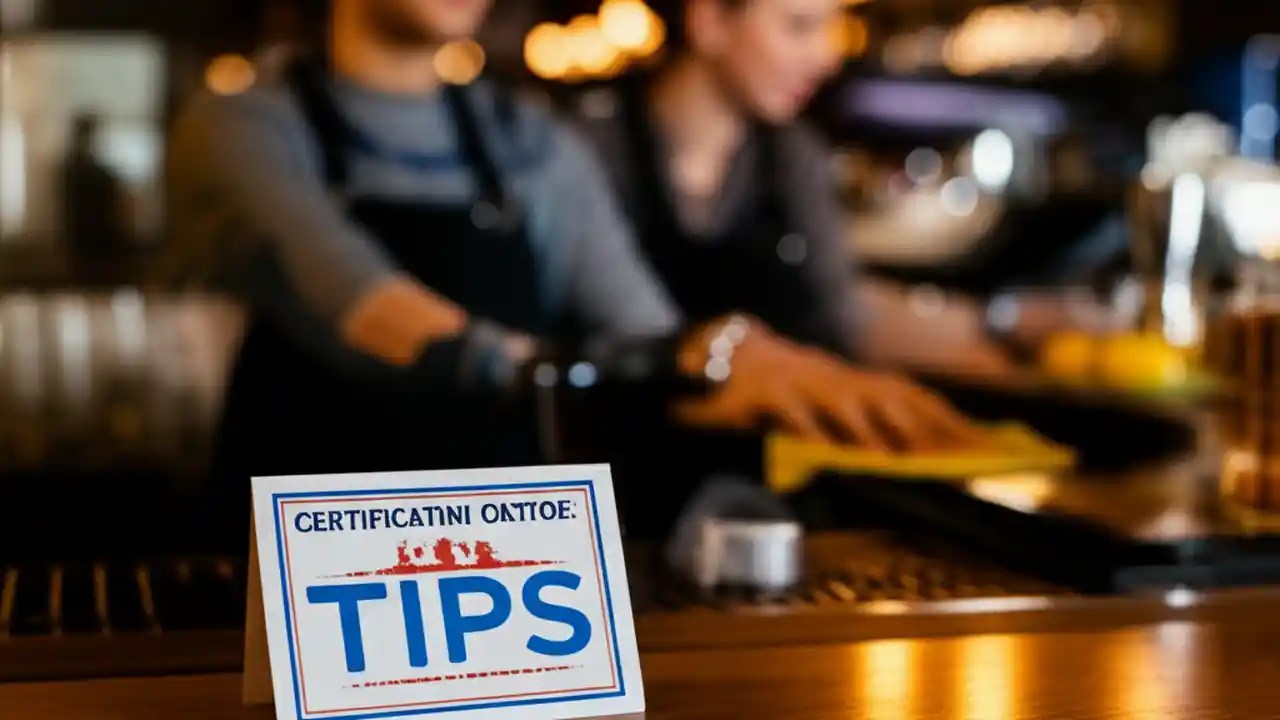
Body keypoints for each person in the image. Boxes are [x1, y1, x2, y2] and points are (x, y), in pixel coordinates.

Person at [166, 0, 979, 532]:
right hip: (295, 584)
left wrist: (763, 369)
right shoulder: (242, 128)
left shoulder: (530, 141)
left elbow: (648, 329)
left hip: (498, 576)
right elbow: (362, 306)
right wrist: (669, 357)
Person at [577, 0, 1118, 381]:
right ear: (710, 20)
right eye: (799, 26)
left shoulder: (794, 158)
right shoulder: (589, 150)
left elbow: (844, 313)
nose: (826, 56)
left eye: (832, 25)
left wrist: (1009, 329)